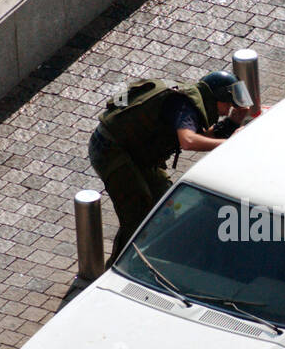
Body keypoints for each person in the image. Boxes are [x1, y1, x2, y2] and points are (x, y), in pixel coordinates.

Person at [88, 71, 253, 265]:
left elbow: (197, 134)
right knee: (138, 213)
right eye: (228, 104)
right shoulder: (184, 105)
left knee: (166, 204)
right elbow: (188, 141)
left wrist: (232, 123)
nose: (228, 110)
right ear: (216, 98)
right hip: (111, 150)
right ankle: (117, 268)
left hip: (135, 153)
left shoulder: (186, 99)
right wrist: (230, 144)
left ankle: (161, 256)